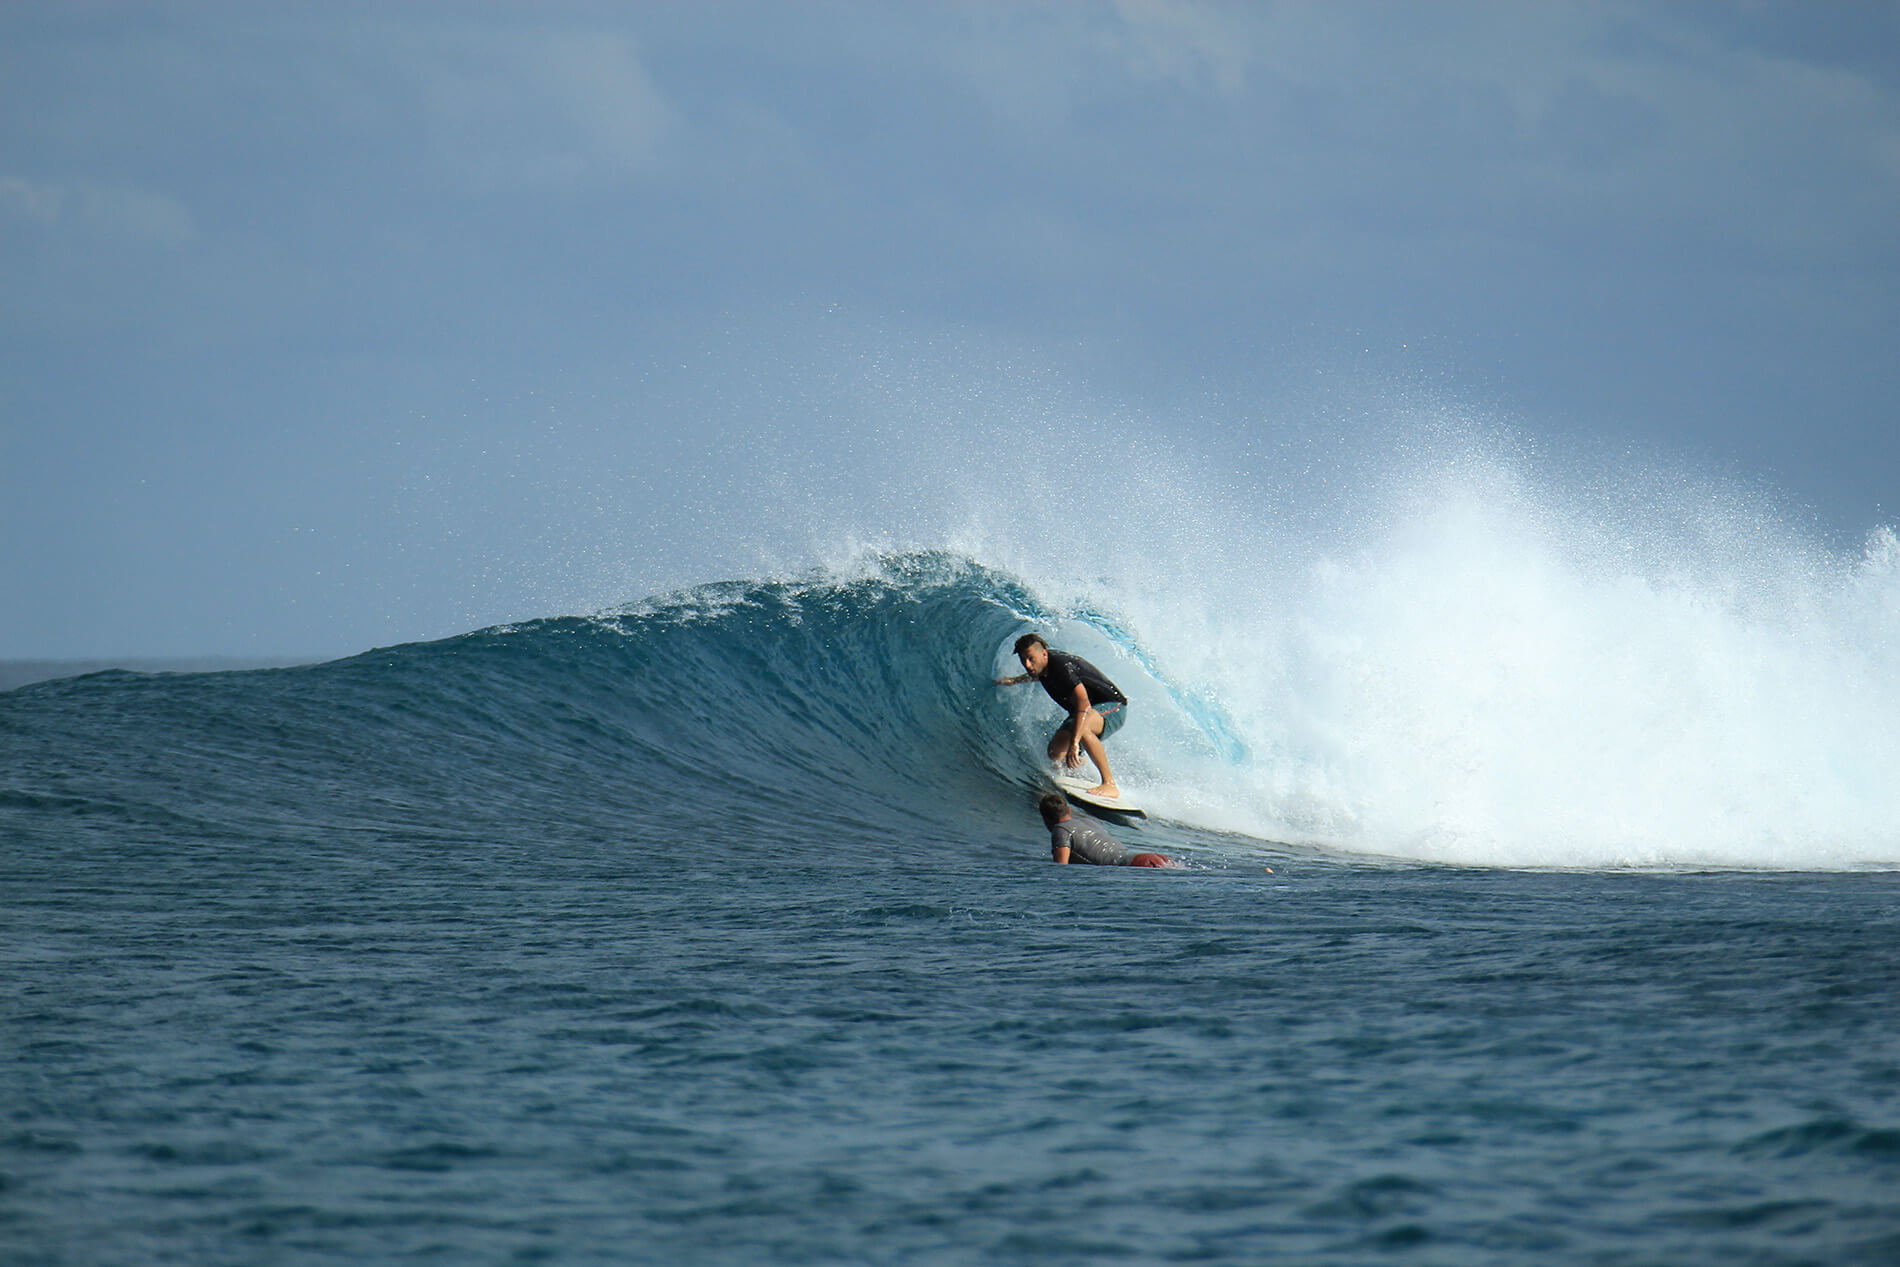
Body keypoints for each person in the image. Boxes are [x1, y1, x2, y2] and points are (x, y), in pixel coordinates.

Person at [994, 632, 1128, 798]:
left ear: (1044, 653)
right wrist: (1013, 681)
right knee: (1055, 752)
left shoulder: (1062, 668)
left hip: (1112, 706)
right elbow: (1036, 675)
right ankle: (1080, 764)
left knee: (1083, 730)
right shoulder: (1043, 667)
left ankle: (1110, 784)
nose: (1027, 665)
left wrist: (1075, 742)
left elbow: (1084, 704)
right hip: (1085, 712)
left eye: (1030, 659)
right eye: (1023, 660)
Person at [1039, 794, 1169, 866]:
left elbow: (1061, 867)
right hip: (1149, 857)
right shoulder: (1089, 822)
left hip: (1137, 864)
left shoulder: (1060, 830)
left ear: (1045, 818)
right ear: (1068, 810)